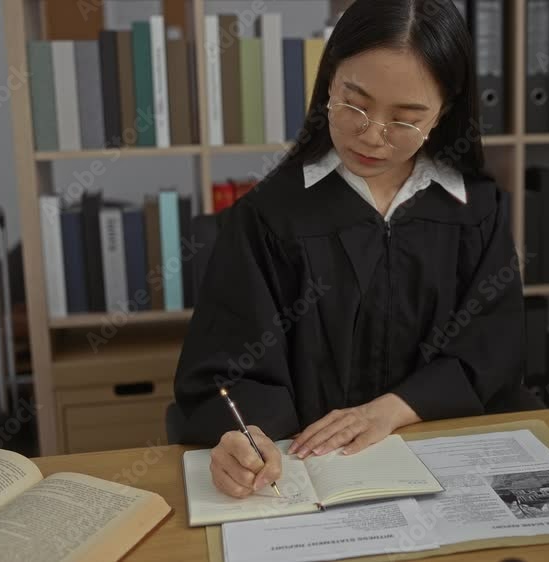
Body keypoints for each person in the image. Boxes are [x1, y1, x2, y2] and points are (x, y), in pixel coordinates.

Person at [173, 0, 527, 499]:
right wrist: (246, 434)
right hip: (306, 471)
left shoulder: (475, 211)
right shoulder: (269, 216)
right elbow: (229, 368)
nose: (372, 136)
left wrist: (393, 408)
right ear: (328, 83)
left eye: (406, 118)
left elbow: (492, 350)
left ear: (444, 111)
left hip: (440, 458)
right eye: (355, 103)